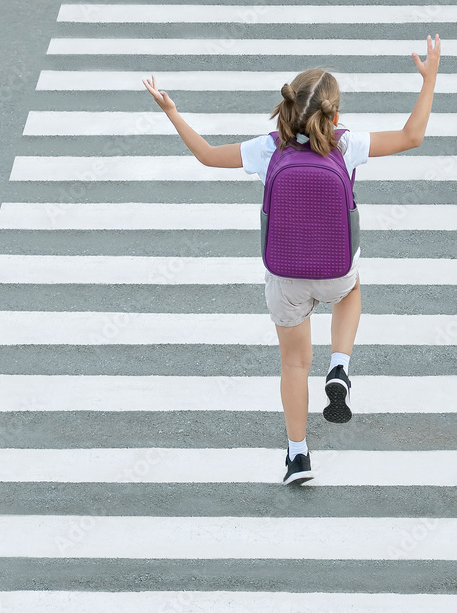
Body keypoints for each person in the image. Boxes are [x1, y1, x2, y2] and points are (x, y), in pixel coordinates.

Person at [143, 34, 441, 485]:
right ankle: (340, 364)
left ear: (285, 108)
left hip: (285, 275)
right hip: (335, 267)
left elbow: (205, 155)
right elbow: (411, 136)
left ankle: (298, 457)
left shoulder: (268, 148)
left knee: (294, 364)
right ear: (334, 114)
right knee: (352, 291)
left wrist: (172, 112)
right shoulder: (345, 144)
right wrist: (430, 77)